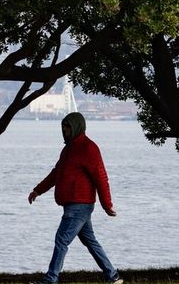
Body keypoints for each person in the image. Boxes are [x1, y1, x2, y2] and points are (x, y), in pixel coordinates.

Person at [28, 112, 123, 284]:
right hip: (71, 205)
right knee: (90, 240)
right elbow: (56, 173)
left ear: (77, 126)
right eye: (63, 126)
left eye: (68, 126)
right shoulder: (68, 149)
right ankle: (113, 276)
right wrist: (37, 191)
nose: (64, 130)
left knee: (61, 239)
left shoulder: (89, 148)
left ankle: (51, 279)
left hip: (80, 205)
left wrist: (106, 205)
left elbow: (101, 177)